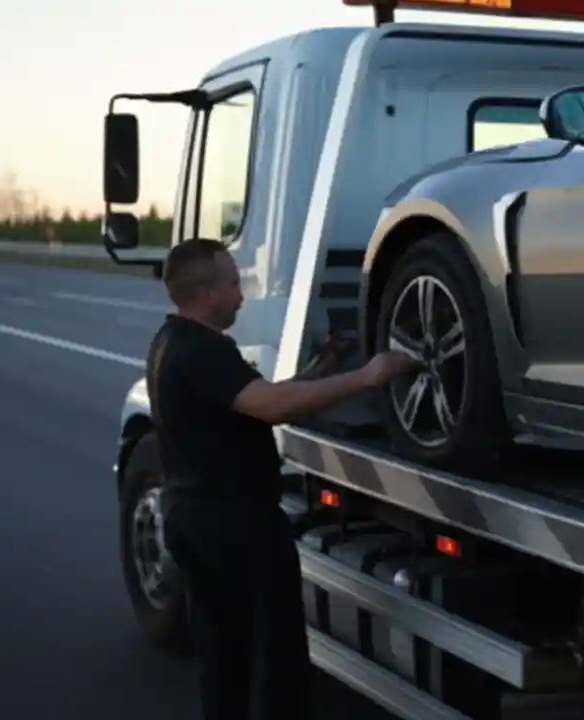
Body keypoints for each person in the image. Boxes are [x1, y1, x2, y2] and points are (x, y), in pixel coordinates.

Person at [145, 238, 417, 719]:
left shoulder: (170, 342)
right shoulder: (203, 351)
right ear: (206, 293)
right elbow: (271, 406)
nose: (241, 294)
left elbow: (255, 400)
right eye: (233, 283)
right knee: (276, 658)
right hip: (236, 525)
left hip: (195, 518)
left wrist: (321, 367)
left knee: (223, 654)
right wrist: (366, 376)